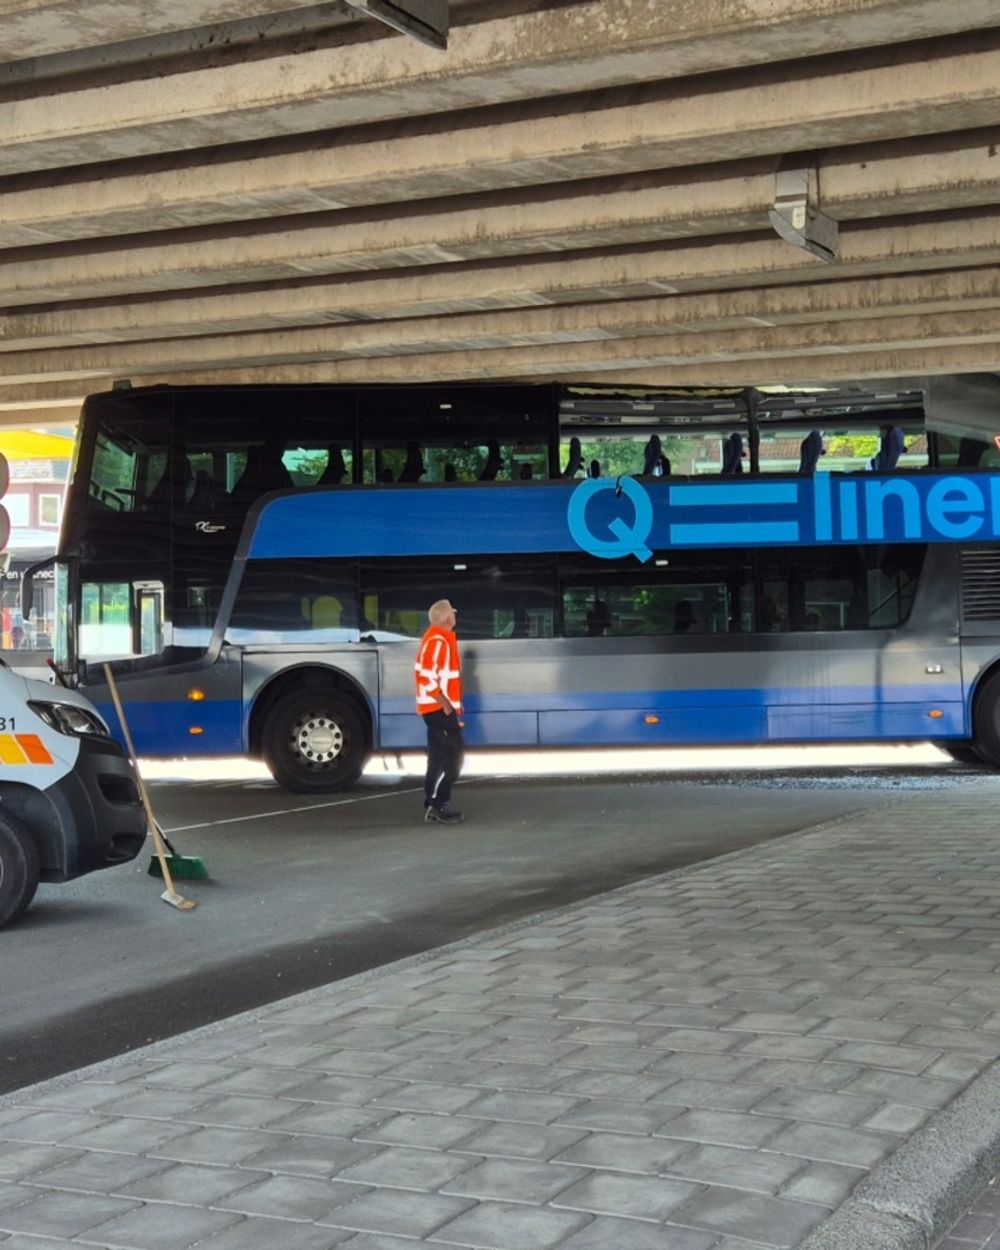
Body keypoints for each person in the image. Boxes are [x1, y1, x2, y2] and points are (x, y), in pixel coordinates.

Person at [415, 599, 465, 824]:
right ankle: (437, 804)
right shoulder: (438, 641)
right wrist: (445, 702)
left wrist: (453, 703)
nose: (455, 616)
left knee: (437, 757)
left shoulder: (439, 638)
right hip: (437, 710)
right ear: (448, 618)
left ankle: (434, 804)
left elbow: (444, 678)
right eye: (453, 613)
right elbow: (426, 676)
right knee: (452, 757)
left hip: (437, 709)